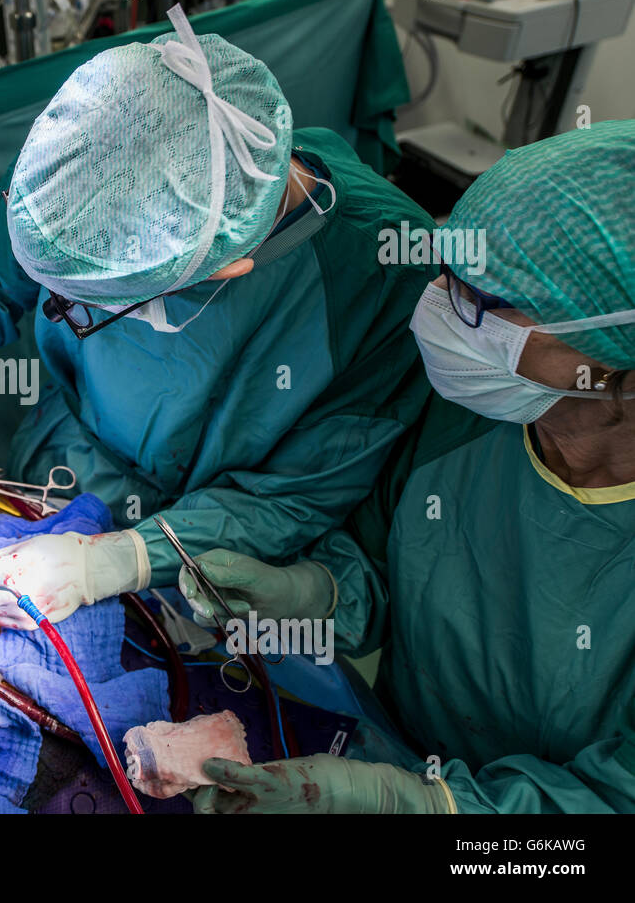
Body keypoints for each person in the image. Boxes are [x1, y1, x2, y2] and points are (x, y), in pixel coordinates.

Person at [0, 6, 437, 629]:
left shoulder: (384, 278)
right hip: (60, 456)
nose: (69, 310)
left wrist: (119, 563)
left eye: (95, 307)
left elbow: (291, 497)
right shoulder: (102, 143)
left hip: (199, 543)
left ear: (224, 271)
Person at [180, 120, 635, 813]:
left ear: (613, 364)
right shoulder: (471, 416)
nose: (437, 308)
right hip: (397, 742)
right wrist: (311, 592)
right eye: (447, 272)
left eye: (481, 303)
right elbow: (387, 555)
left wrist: (425, 807)